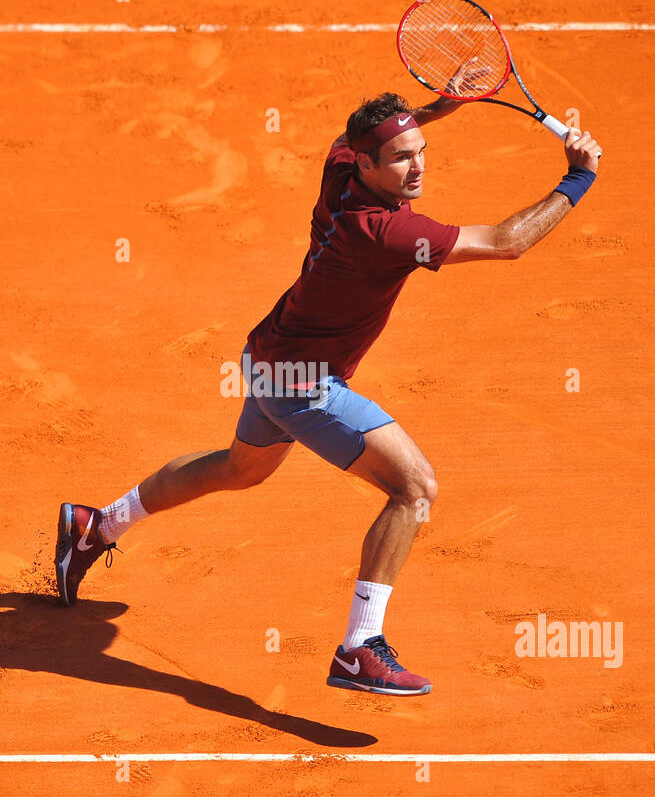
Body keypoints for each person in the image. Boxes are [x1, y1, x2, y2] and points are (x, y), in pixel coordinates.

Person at [56, 90, 602, 697]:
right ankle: (359, 648)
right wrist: (576, 179)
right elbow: (506, 242)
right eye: (400, 158)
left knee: (240, 469)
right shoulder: (386, 231)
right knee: (414, 489)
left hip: (268, 355)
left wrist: (425, 114)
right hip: (303, 383)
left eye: (420, 152)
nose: (417, 167)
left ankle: (97, 525)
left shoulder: (343, 165)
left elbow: (352, 139)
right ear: (368, 166)